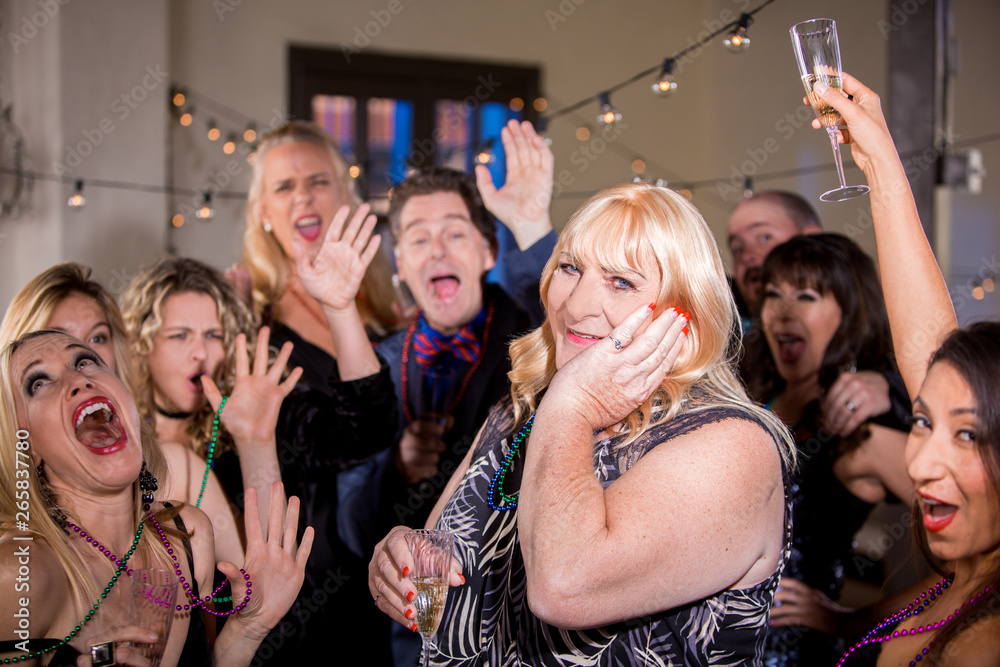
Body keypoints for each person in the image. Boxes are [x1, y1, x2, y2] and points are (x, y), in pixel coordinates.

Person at [369, 183, 797, 665]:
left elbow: (563, 587)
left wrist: (571, 403)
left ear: (686, 314)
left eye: (621, 282)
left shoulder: (731, 445)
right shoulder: (515, 414)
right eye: (570, 268)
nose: (575, 305)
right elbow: (437, 551)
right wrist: (397, 552)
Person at [121, 249, 397, 664]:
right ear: (144, 343)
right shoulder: (120, 445)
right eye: (179, 336)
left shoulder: (261, 403)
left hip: (288, 643)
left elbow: (368, 430)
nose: (200, 353)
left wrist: (340, 310)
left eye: (213, 335)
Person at [806, 74, 1000, 665]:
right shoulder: (967, 572)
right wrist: (881, 166)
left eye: (966, 433)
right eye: (921, 422)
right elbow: (932, 354)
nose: (919, 462)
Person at [0, 329, 313, 666]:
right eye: (38, 383)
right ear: (25, 447)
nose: (78, 379)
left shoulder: (187, 534)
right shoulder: (18, 572)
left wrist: (248, 627)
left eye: (85, 360)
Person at [742, 233, 914, 665]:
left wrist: (853, 621)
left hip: (790, 655)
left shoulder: (864, 436)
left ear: (849, 315)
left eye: (805, 296)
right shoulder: (756, 395)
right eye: (773, 294)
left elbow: (981, 554)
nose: (783, 311)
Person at [0, 262, 243, 568]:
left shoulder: (180, 480)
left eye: (97, 340)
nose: (81, 363)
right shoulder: (19, 567)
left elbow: (242, 595)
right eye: (42, 378)